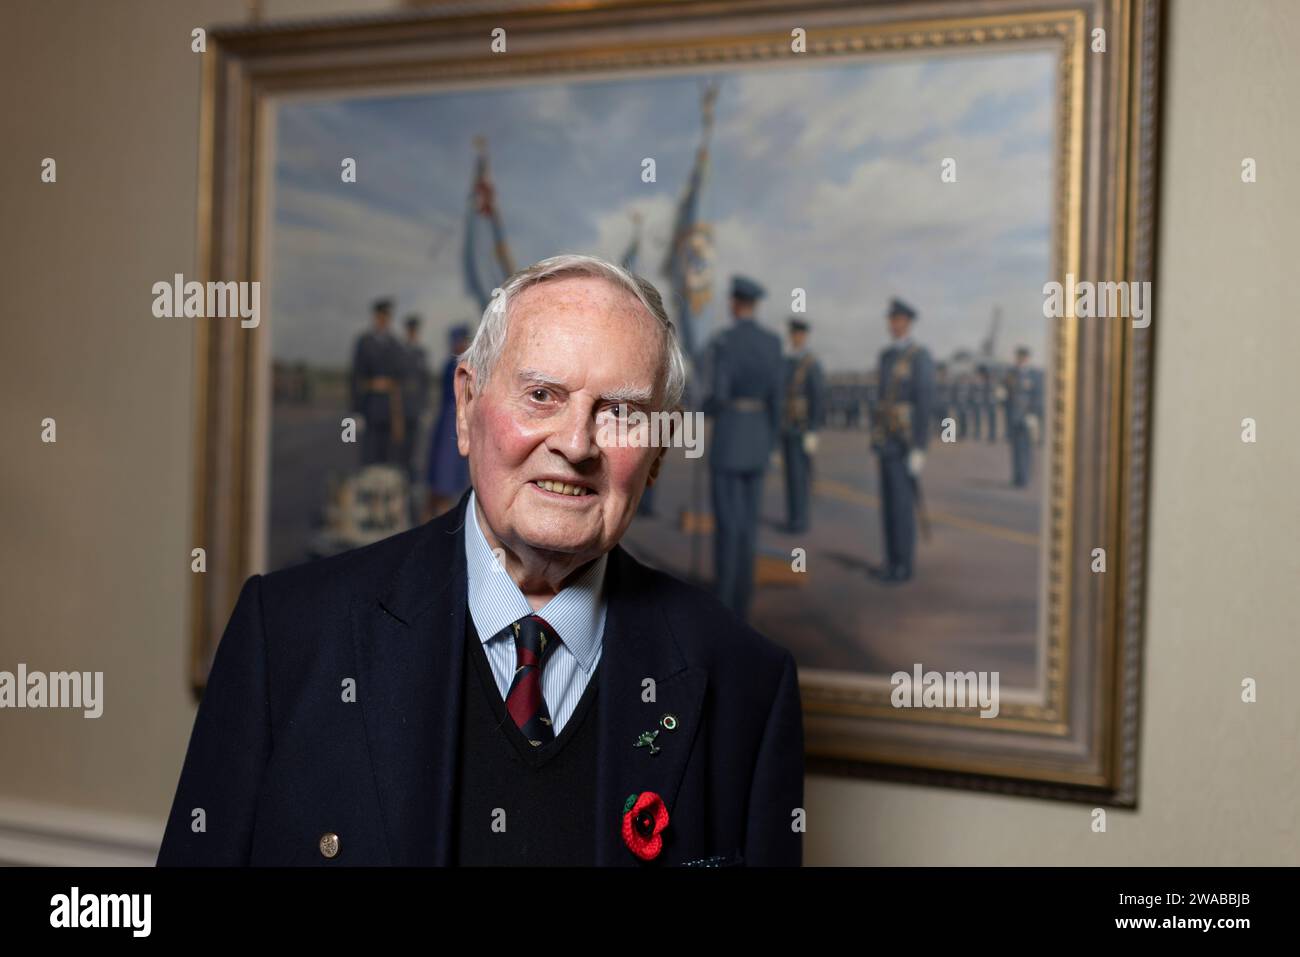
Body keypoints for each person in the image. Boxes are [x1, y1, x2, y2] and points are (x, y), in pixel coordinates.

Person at [157, 254, 803, 867]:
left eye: (621, 412)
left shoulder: (746, 684)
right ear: (467, 405)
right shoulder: (288, 638)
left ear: (658, 452)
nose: (575, 445)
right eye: (543, 395)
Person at [702, 275, 784, 622]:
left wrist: (704, 409)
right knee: (749, 524)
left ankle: (725, 598)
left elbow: (718, 394)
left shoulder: (725, 341)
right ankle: (743, 596)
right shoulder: (772, 342)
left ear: (735, 303)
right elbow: (778, 396)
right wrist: (773, 442)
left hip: (730, 437)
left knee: (727, 523)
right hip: (758, 438)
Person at [869, 298, 935, 585]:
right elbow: (881, 400)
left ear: (907, 323)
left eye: (898, 320)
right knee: (888, 504)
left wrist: (920, 447)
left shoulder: (919, 357)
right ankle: (891, 560)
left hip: (906, 441)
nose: (893, 325)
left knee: (902, 505)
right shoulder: (885, 356)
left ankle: (903, 566)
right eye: (891, 320)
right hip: (886, 440)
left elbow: (924, 403)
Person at [780, 317, 826, 534]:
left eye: (798, 334)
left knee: (800, 477)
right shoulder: (787, 362)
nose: (795, 338)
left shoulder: (811, 364)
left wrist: (813, 430)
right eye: (793, 334)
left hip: (802, 427)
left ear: (804, 336)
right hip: (787, 426)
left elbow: (818, 398)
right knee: (790, 476)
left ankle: (800, 521)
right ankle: (793, 518)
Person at [349, 297, 406, 467]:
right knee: (369, 453)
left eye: (386, 317)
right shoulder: (364, 342)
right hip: (370, 403)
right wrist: (356, 411)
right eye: (381, 316)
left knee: (388, 454)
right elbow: (355, 377)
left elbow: (400, 378)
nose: (383, 320)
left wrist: (399, 412)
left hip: (389, 406)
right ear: (375, 317)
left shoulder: (395, 344)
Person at [425, 324, 473, 519]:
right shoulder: (457, 365)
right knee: (444, 476)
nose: (463, 345)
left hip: (451, 421)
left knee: (445, 479)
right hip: (451, 424)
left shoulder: (452, 364)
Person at [398, 314, 430, 486]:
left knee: (415, 447)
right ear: (407, 331)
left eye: (415, 331)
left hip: (415, 406)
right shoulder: (400, 353)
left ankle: (411, 479)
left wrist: (424, 407)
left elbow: (424, 381)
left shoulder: (421, 353)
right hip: (401, 406)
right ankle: (401, 475)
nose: (412, 334)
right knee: (401, 444)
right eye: (410, 331)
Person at [1005, 345, 1044, 487]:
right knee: (1015, 449)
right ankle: (1016, 477)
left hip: (1028, 416)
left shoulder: (1034, 375)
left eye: (1022, 357)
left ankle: (1025, 478)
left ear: (1027, 358)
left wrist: (1034, 414)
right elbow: (1007, 394)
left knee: (1026, 449)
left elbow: (1038, 396)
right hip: (1013, 416)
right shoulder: (1011, 373)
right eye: (1018, 357)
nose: (1020, 360)